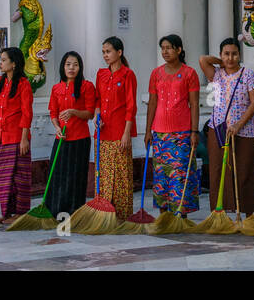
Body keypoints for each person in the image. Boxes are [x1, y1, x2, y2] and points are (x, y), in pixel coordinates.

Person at [198, 38, 254, 216]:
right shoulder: (217, 74)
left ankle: (248, 214)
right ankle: (220, 213)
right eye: (226, 54)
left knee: (244, 171)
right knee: (218, 171)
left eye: (234, 54)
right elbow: (203, 59)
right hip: (218, 130)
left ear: (240, 55)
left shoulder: (248, 74)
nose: (231, 57)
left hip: (245, 131)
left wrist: (238, 125)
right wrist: (222, 63)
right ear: (220, 55)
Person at [146, 34, 201, 216]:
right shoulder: (156, 73)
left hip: (182, 133)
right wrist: (148, 131)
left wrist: (194, 131)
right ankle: (164, 216)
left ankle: (181, 214)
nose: (165, 51)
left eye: (169, 47)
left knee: (180, 175)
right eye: (162, 48)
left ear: (179, 50)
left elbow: (194, 104)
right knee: (161, 175)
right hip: (160, 132)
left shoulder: (189, 73)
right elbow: (152, 103)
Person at [45, 51, 97, 217]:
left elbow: (89, 113)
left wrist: (74, 112)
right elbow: (53, 112)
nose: (71, 68)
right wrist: (57, 127)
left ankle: (74, 212)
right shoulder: (56, 88)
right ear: (63, 67)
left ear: (80, 67)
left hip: (79, 138)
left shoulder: (86, 86)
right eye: (68, 64)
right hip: (61, 138)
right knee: (57, 174)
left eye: (75, 64)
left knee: (75, 176)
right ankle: (55, 211)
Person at [94, 36, 136, 217]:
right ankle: (104, 214)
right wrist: (97, 117)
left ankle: (121, 215)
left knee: (120, 175)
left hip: (120, 132)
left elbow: (131, 106)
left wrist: (126, 133)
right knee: (103, 175)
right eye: (103, 52)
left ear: (119, 53)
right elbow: (97, 100)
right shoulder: (101, 74)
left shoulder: (128, 74)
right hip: (102, 132)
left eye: (108, 51)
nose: (105, 55)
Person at [0, 46, 29, 222]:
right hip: (2, 137)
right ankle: (7, 213)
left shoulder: (23, 84)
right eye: (1, 60)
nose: (1, 63)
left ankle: (20, 213)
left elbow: (27, 112)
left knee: (19, 177)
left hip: (17, 136)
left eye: (4, 60)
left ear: (14, 63)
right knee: (3, 178)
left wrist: (24, 138)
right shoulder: (0, 82)